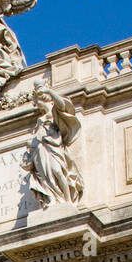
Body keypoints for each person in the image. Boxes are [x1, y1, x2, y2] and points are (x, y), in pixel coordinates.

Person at [22, 80, 84, 208]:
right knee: (45, 178)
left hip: (54, 147)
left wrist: (49, 91)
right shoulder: (42, 117)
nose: (38, 102)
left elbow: (62, 106)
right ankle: (52, 198)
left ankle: (67, 201)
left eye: (40, 98)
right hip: (41, 150)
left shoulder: (55, 111)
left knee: (58, 171)